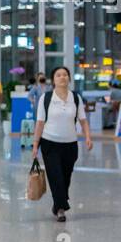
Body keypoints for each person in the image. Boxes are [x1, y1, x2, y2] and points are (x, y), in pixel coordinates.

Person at [31, 66, 93, 222]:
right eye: (58, 75)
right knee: (55, 175)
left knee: (66, 177)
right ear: (53, 80)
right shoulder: (45, 98)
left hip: (70, 145)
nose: (62, 77)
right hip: (49, 143)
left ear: (69, 79)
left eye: (65, 75)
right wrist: (35, 145)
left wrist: (88, 137)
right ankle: (60, 209)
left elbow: (83, 121)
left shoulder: (76, 98)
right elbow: (39, 123)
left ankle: (58, 202)